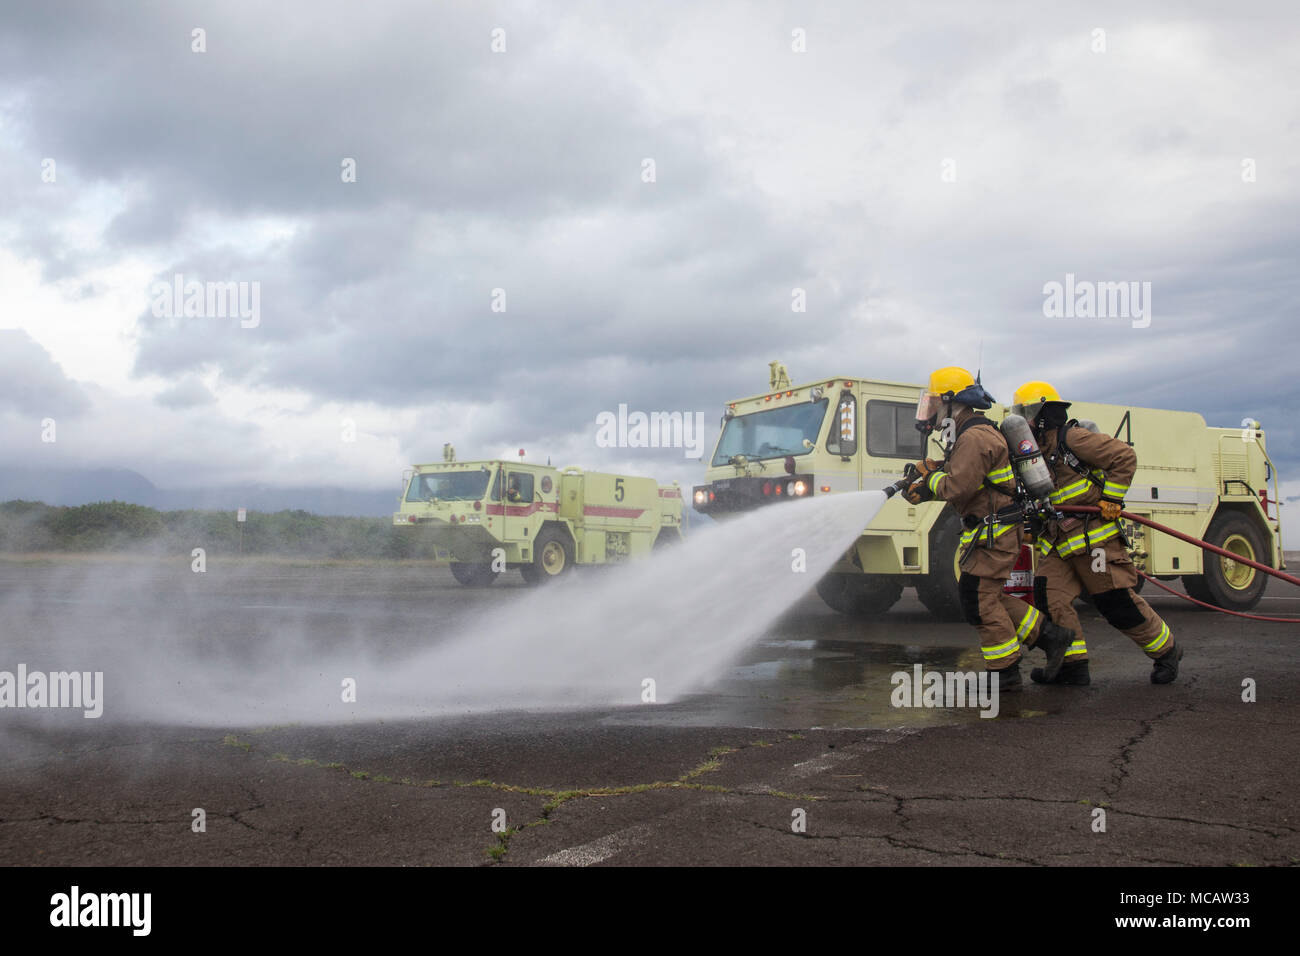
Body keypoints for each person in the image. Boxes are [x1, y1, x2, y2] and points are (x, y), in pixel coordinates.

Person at [907, 367, 1075, 689]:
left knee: (977, 601)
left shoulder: (974, 436)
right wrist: (928, 482)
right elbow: (968, 480)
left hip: (995, 532)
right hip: (991, 530)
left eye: (934, 402)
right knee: (988, 596)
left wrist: (929, 478)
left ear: (951, 402)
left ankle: (1006, 672)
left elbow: (957, 486)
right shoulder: (968, 434)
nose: (930, 409)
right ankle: (1052, 637)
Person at [1010, 381, 1182, 685]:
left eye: (1026, 414)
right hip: (1062, 545)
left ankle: (1167, 652)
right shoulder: (1040, 452)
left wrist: (1112, 498)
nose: (1024, 422)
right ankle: (1073, 667)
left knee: (1117, 605)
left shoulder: (1072, 438)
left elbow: (1124, 457)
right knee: (1050, 598)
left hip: (1095, 541)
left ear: (1039, 414)